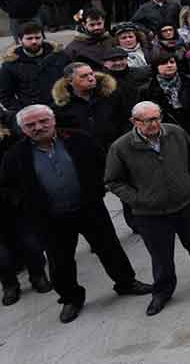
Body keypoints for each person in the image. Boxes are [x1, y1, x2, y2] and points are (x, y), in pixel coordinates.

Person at [0, 105, 150, 323]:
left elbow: (103, 164)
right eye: (30, 125)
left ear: (52, 120)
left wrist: (98, 190)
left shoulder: (79, 139)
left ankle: (126, 282)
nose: (38, 127)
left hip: (89, 209)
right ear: (22, 129)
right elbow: (7, 187)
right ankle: (71, 299)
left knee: (109, 247)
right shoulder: (15, 155)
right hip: (50, 218)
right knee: (60, 261)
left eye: (43, 121)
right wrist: (27, 205)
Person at [105, 101, 190, 316]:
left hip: (185, 203)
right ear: (134, 122)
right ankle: (163, 291)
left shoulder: (175, 133)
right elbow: (113, 181)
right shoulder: (121, 147)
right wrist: (139, 200)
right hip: (150, 214)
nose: (155, 123)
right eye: (148, 120)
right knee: (161, 255)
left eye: (157, 117)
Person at [140, 52, 190, 214]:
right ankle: (185, 200)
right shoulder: (148, 89)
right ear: (156, 68)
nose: (169, 65)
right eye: (164, 63)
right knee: (175, 167)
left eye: (172, 61)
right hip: (165, 132)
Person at [0, 23, 70, 112]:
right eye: (29, 38)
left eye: (37, 37)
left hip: (62, 107)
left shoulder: (60, 56)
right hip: (32, 112)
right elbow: (5, 96)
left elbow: (73, 80)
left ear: (43, 38)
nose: (34, 41)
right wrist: (23, 111)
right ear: (20, 40)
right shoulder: (10, 65)